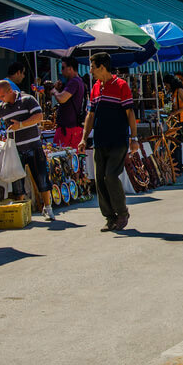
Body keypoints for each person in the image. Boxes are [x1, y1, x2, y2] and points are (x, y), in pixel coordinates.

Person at [0, 80, 55, 220]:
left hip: (33, 145)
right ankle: (21, 212)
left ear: (10, 91)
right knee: (17, 182)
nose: (0, 99)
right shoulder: (1, 108)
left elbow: (39, 117)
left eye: (2, 96)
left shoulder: (27, 100)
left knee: (41, 178)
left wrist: (21, 124)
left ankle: (48, 208)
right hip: (16, 149)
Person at [78, 53, 139, 232]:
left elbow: (130, 113)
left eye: (92, 67)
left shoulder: (121, 85)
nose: (91, 71)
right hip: (100, 141)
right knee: (100, 181)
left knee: (111, 176)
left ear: (102, 67)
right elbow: (91, 115)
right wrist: (83, 138)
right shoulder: (96, 87)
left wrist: (134, 138)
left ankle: (122, 213)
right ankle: (109, 217)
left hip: (118, 140)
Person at [50, 57, 85, 149]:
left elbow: (62, 98)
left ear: (70, 68)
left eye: (63, 68)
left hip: (68, 130)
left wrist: (54, 91)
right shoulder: (79, 81)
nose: (61, 71)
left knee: (59, 157)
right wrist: (59, 89)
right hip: (73, 128)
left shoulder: (74, 82)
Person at [163, 74, 183, 173]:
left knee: (177, 145)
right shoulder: (173, 93)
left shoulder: (180, 91)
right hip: (174, 121)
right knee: (173, 145)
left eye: (167, 85)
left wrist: (175, 112)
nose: (166, 87)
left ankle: (178, 167)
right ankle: (175, 166)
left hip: (180, 121)